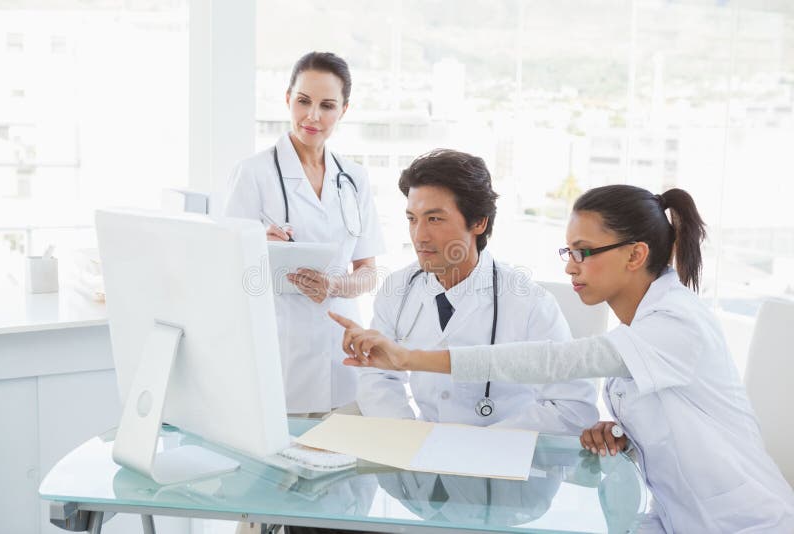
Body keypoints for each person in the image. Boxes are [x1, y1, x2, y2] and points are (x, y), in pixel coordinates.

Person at [331, 185, 794, 533]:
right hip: (677, 519)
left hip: (746, 523)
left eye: (584, 252)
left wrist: (410, 358)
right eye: (567, 251)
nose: (570, 266)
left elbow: (555, 362)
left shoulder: (676, 321)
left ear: (636, 255)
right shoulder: (639, 326)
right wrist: (621, 433)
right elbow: (677, 422)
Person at [356, 149, 597, 433]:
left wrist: (481, 444)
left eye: (434, 219)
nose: (419, 236)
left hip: (505, 460)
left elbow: (573, 408)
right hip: (422, 458)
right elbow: (377, 376)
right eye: (412, 219)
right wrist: (408, 433)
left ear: (479, 222)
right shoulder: (398, 288)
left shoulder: (530, 303)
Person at [224, 51, 384, 417]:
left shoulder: (354, 178)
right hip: (281, 355)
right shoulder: (253, 174)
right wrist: (256, 251)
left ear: (343, 110)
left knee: (346, 466)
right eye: (303, 101)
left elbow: (368, 272)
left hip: (343, 354)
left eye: (327, 105)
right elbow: (226, 272)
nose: (313, 116)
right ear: (287, 99)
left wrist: (334, 286)